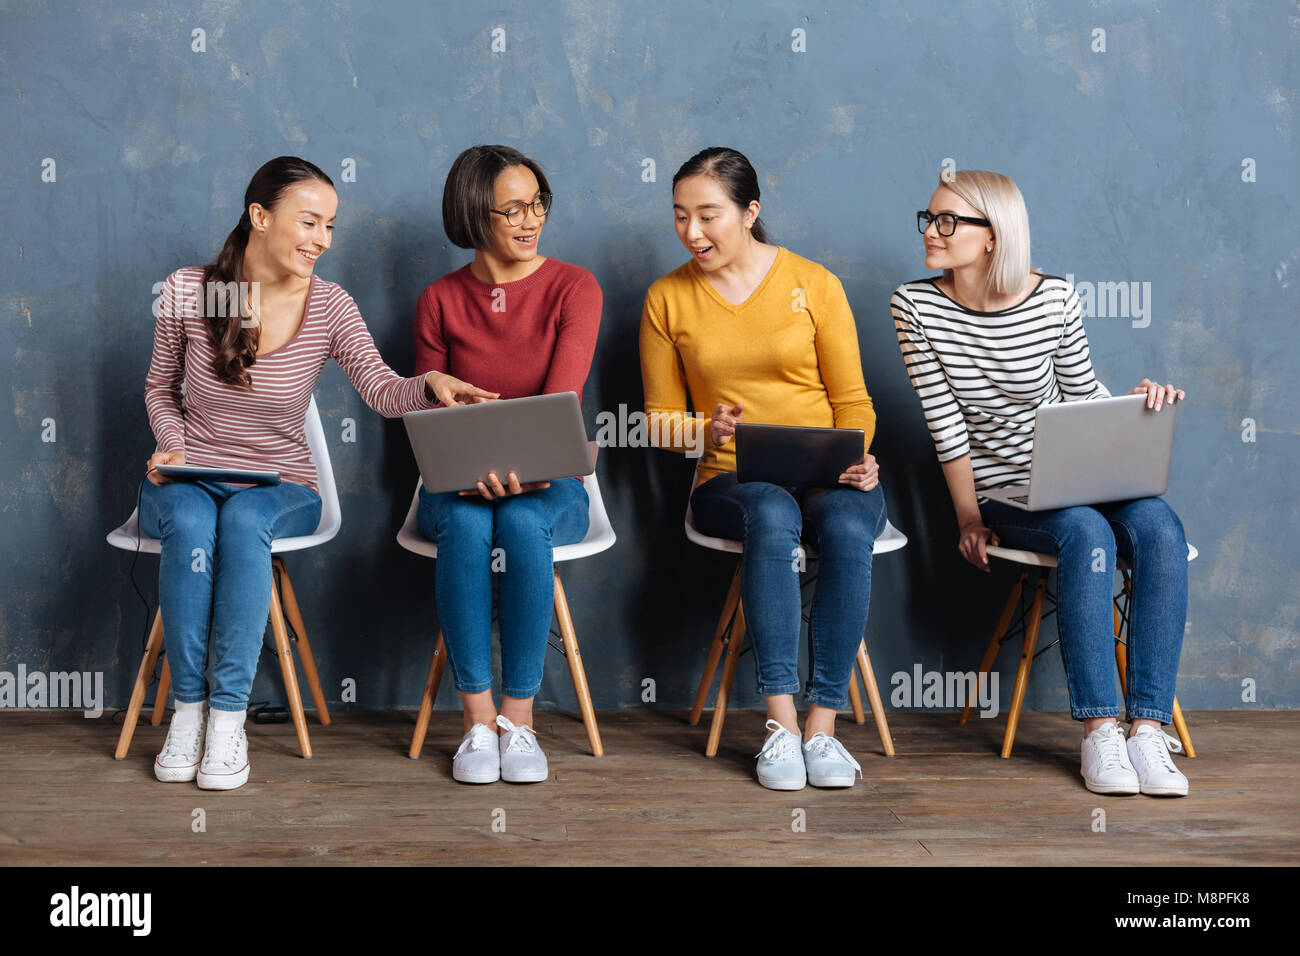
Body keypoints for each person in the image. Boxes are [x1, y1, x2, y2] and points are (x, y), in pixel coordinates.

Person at [143, 156, 491, 791]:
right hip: (190, 473)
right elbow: (161, 389)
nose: (322, 240)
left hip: (282, 486)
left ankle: (227, 722)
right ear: (260, 217)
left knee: (245, 517)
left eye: (330, 225)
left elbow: (382, 391)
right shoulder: (188, 291)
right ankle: (187, 714)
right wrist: (171, 446)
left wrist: (430, 384)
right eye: (309, 222)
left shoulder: (329, 304)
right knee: (193, 524)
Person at [892, 169, 1190, 796]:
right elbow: (944, 424)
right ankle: (1100, 732)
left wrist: (1139, 405)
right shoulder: (915, 306)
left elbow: (1083, 395)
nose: (932, 232)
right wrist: (969, 517)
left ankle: (1146, 729)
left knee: (1161, 526)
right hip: (1010, 489)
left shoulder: (1054, 297)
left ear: (994, 236)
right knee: (1085, 532)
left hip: (1086, 471)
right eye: (930, 218)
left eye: (949, 221)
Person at [640, 147, 886, 791]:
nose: (692, 232)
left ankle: (823, 729)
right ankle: (780, 725)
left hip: (829, 475)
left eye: (709, 215)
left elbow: (853, 401)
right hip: (731, 481)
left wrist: (858, 454)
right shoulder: (667, 298)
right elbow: (657, 422)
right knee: (772, 513)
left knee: (845, 528)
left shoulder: (815, 285)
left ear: (750, 212)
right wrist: (704, 429)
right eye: (679, 216)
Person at [413, 145, 602, 785]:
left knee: (522, 524)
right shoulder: (439, 300)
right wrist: (471, 473)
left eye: (538, 203)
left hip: (553, 483)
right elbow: (431, 414)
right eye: (513, 209)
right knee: (466, 527)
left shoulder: (574, 287)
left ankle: (517, 720)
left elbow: (560, 404)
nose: (531, 220)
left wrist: (536, 467)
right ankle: (475, 723)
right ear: (474, 213)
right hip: (457, 485)